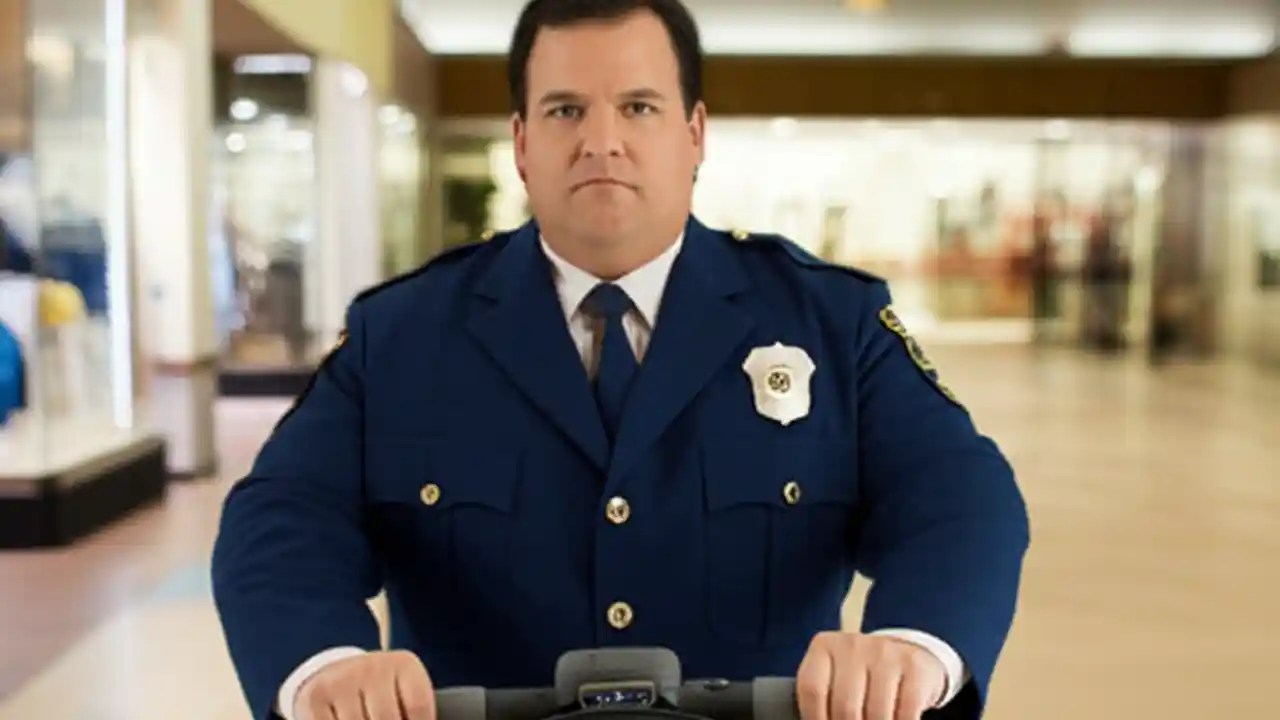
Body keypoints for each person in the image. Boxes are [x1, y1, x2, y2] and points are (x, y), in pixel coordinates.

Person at [210, 2, 1031, 719]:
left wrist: (914, 645)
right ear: (523, 143)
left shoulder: (831, 322)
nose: (602, 142)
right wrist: (324, 666)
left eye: (638, 106)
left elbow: (960, 497)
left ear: (694, 134)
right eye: (566, 111)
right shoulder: (402, 335)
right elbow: (282, 520)